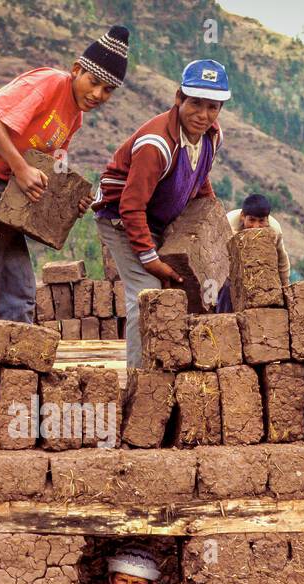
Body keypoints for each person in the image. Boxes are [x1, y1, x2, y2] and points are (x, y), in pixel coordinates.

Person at [0, 25, 129, 366]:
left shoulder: (76, 117)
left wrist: (71, 199)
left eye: (108, 90)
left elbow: (53, 166)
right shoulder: (48, 82)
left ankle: (11, 354)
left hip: (8, 188)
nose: (98, 94)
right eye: (93, 82)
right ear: (76, 69)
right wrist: (21, 168)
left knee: (19, 283)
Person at [93, 59, 230, 368]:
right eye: (195, 103)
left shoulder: (212, 137)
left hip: (160, 218)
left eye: (213, 107)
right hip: (120, 219)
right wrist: (150, 259)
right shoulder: (156, 145)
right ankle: (139, 380)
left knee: (192, 289)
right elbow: (131, 205)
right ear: (178, 98)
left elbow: (199, 175)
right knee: (147, 295)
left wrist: (209, 221)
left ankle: (178, 369)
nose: (203, 115)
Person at [217, 193, 291, 312]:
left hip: (260, 273)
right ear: (242, 216)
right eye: (251, 220)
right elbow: (218, 257)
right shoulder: (228, 224)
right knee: (226, 288)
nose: (256, 226)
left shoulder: (275, 230)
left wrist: (285, 288)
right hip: (228, 271)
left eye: (261, 221)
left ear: (267, 219)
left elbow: (282, 261)